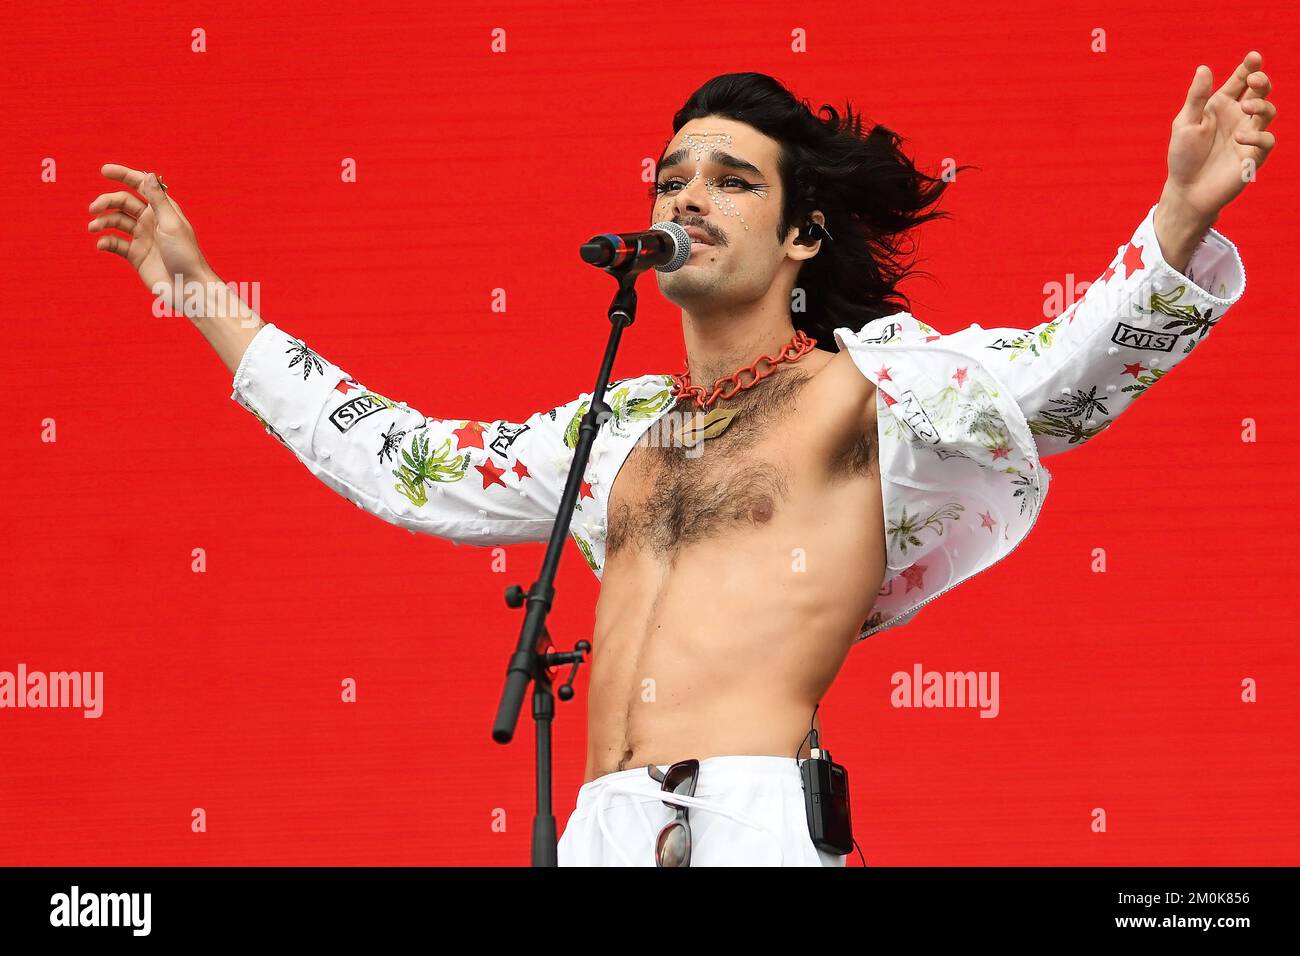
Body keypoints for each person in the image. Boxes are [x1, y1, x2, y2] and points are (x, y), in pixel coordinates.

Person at [88, 58, 1274, 866]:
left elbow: (1063, 375)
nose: (687, 196)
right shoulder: (616, 427)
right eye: (671, 176)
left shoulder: (868, 387)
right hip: (595, 825)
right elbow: (400, 459)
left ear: (802, 233)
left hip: (754, 816)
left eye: (730, 178)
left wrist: (1175, 219)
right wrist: (202, 293)